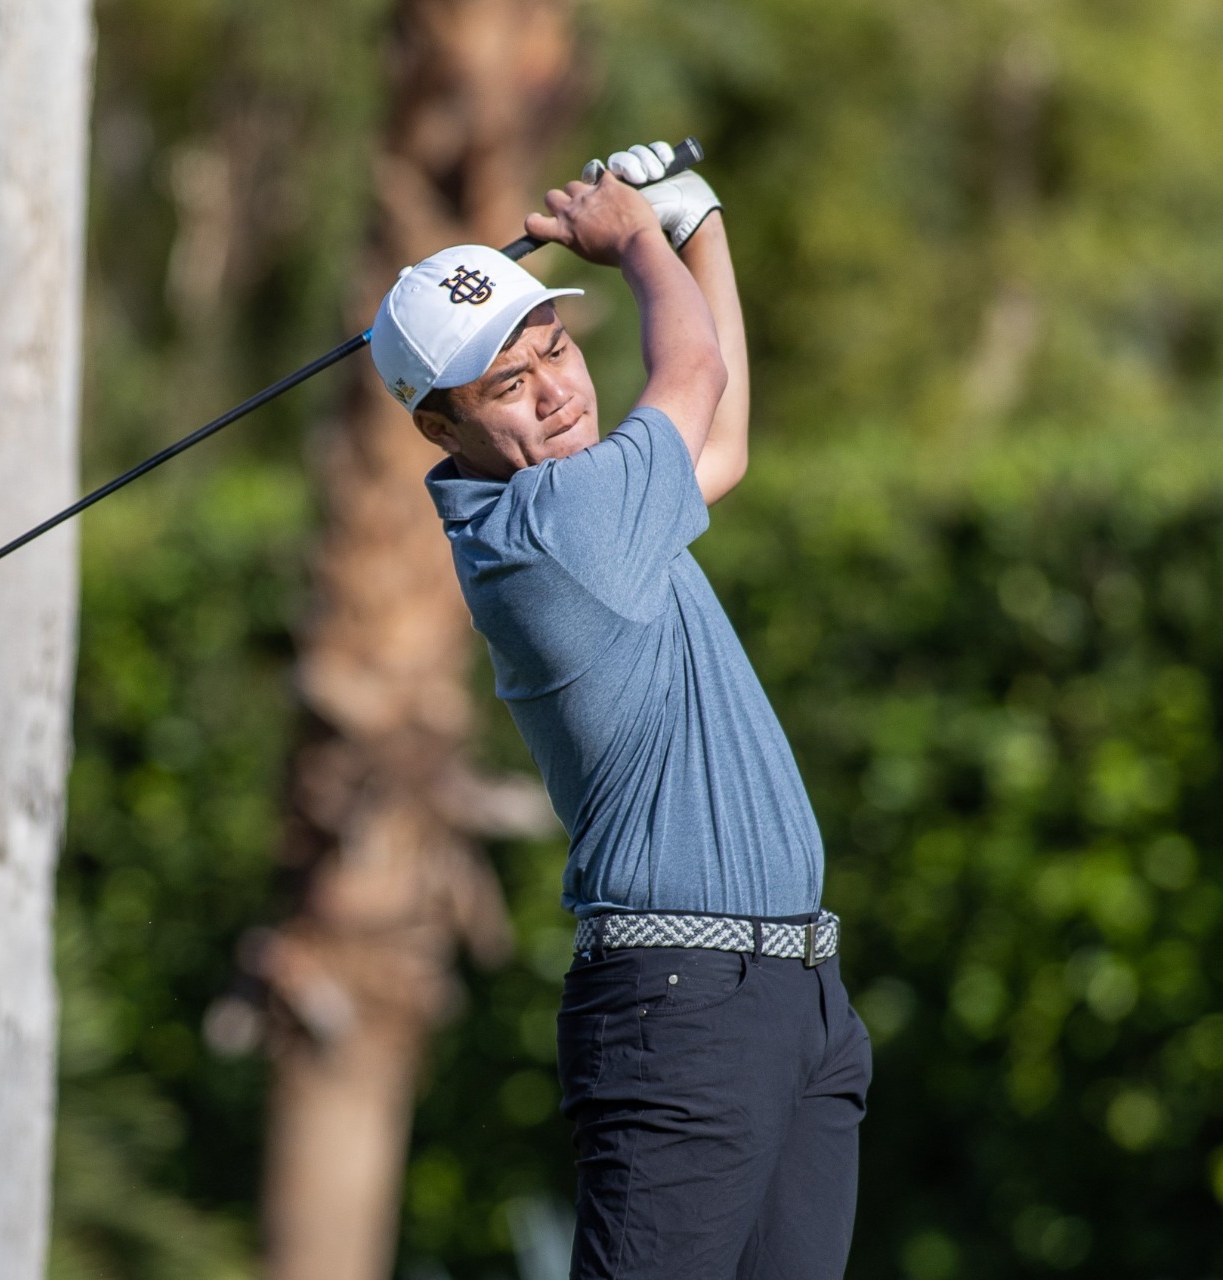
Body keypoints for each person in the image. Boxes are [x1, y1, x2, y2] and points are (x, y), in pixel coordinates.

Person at [368, 143, 872, 1279]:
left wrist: (697, 223)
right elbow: (690, 379)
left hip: (794, 999)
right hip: (682, 1007)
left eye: (555, 350)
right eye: (507, 385)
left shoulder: (608, 499)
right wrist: (638, 238)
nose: (556, 392)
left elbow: (722, 441)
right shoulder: (548, 530)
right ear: (440, 431)